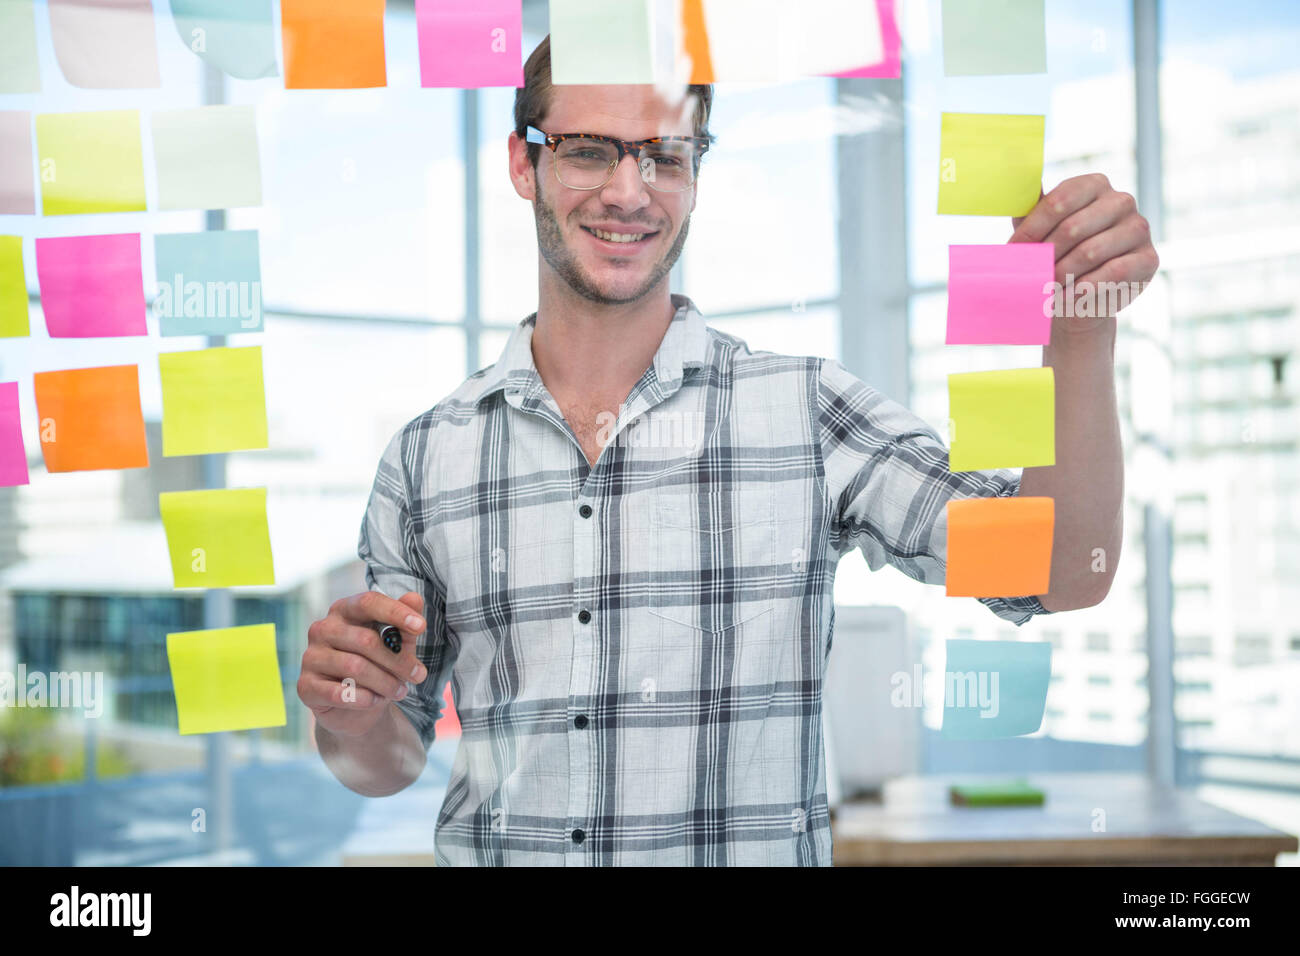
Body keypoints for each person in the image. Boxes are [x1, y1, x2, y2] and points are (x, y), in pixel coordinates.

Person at [297, 35, 1158, 865]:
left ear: (696, 176)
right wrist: (351, 710)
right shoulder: (427, 455)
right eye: (591, 151)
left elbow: (1060, 572)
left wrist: (1080, 331)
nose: (631, 192)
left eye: (666, 156)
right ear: (525, 165)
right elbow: (389, 762)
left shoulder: (808, 412)